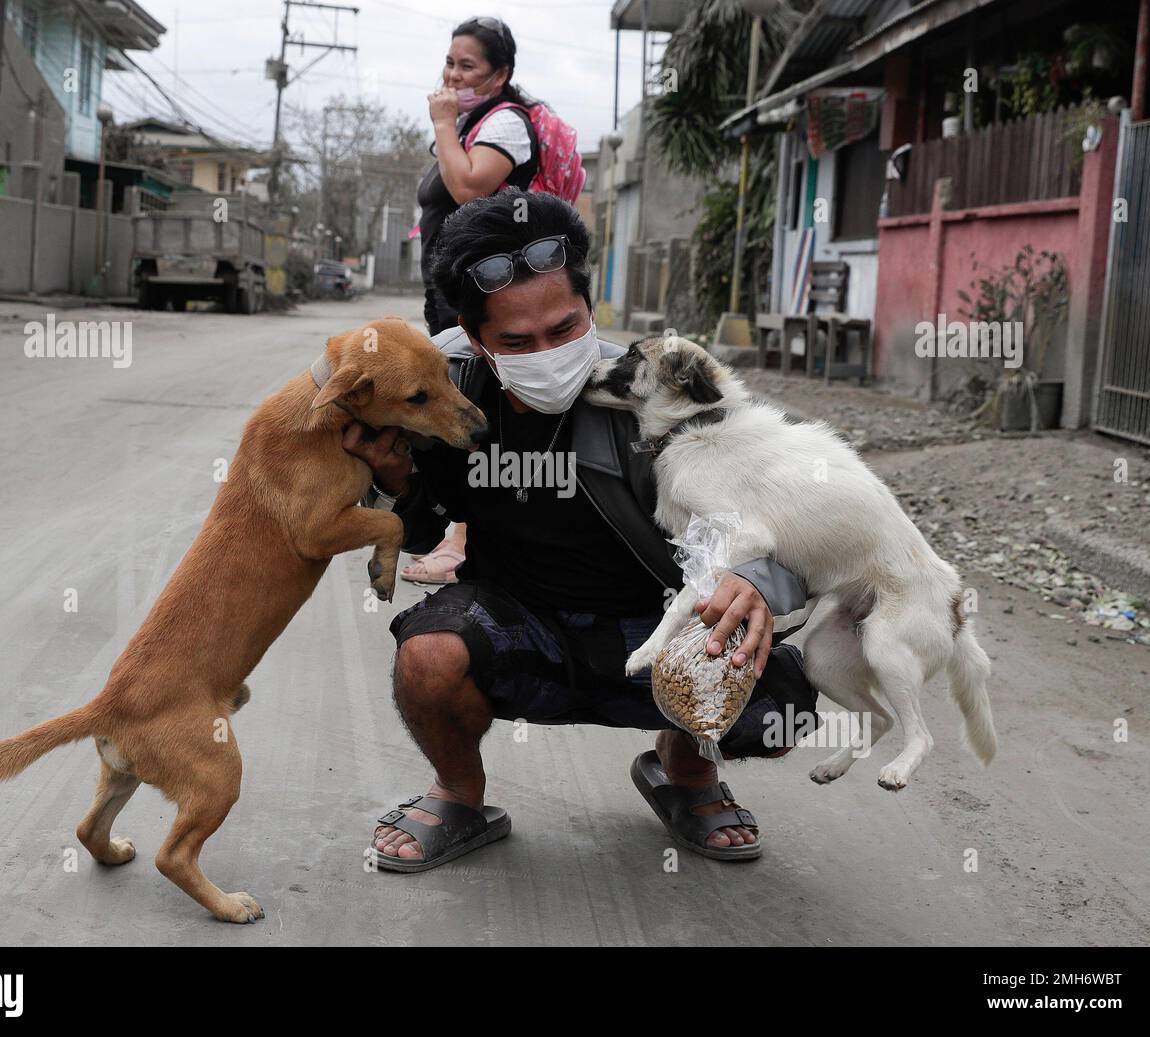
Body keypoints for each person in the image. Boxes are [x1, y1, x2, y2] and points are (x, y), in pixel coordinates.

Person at [343, 190, 822, 872]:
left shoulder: (662, 393)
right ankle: (460, 791)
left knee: (779, 709)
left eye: (566, 328)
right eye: (516, 341)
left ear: (590, 310)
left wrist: (751, 581)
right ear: (475, 338)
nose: (548, 353)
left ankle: (683, 770)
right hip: (522, 626)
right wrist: (396, 481)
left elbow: (787, 523)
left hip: (657, 630)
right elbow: (423, 529)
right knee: (428, 655)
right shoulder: (450, 397)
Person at [405, 16, 543, 587]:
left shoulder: (504, 123)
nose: (453, 74)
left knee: (477, 403)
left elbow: (468, 187)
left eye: (468, 66)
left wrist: (442, 120)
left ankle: (465, 540)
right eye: (449, 62)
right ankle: (458, 531)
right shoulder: (470, 122)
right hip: (454, 290)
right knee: (464, 398)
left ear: (501, 74)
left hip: (485, 289)